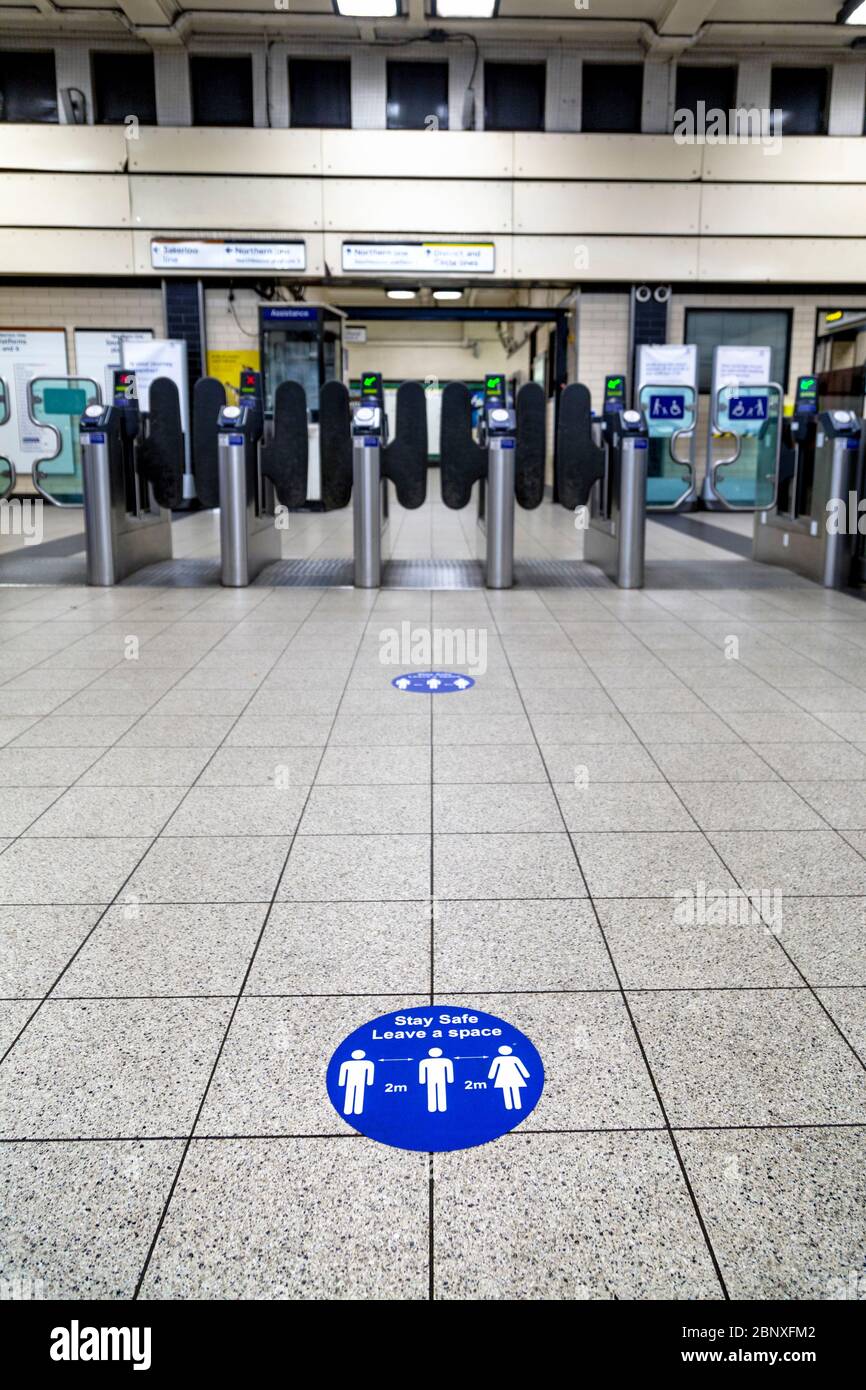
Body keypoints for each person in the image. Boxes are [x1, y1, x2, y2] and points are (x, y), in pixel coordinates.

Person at [488, 1044, 530, 1110]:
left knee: (509, 1090)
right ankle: (513, 1105)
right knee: (510, 1089)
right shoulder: (500, 1059)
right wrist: (526, 1075)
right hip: (509, 1075)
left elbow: (520, 1066)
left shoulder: (510, 1058)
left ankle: (513, 1106)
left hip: (508, 1075)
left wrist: (491, 1076)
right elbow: (494, 1067)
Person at [338, 1049, 374, 1116]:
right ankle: (350, 1109)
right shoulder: (347, 1063)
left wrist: (370, 1082)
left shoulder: (368, 1063)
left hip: (360, 1081)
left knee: (358, 1094)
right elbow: (343, 1073)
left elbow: (370, 1073)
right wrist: (341, 1082)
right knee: (351, 1093)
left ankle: (356, 1110)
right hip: (352, 1081)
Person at [419, 1047, 453, 1113]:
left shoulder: (446, 1061)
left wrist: (450, 1079)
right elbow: (422, 1071)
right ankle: (432, 1107)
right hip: (431, 1079)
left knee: (440, 1091)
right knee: (432, 1091)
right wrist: (422, 1080)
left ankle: (442, 1107)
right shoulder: (424, 1062)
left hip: (440, 1078)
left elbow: (449, 1070)